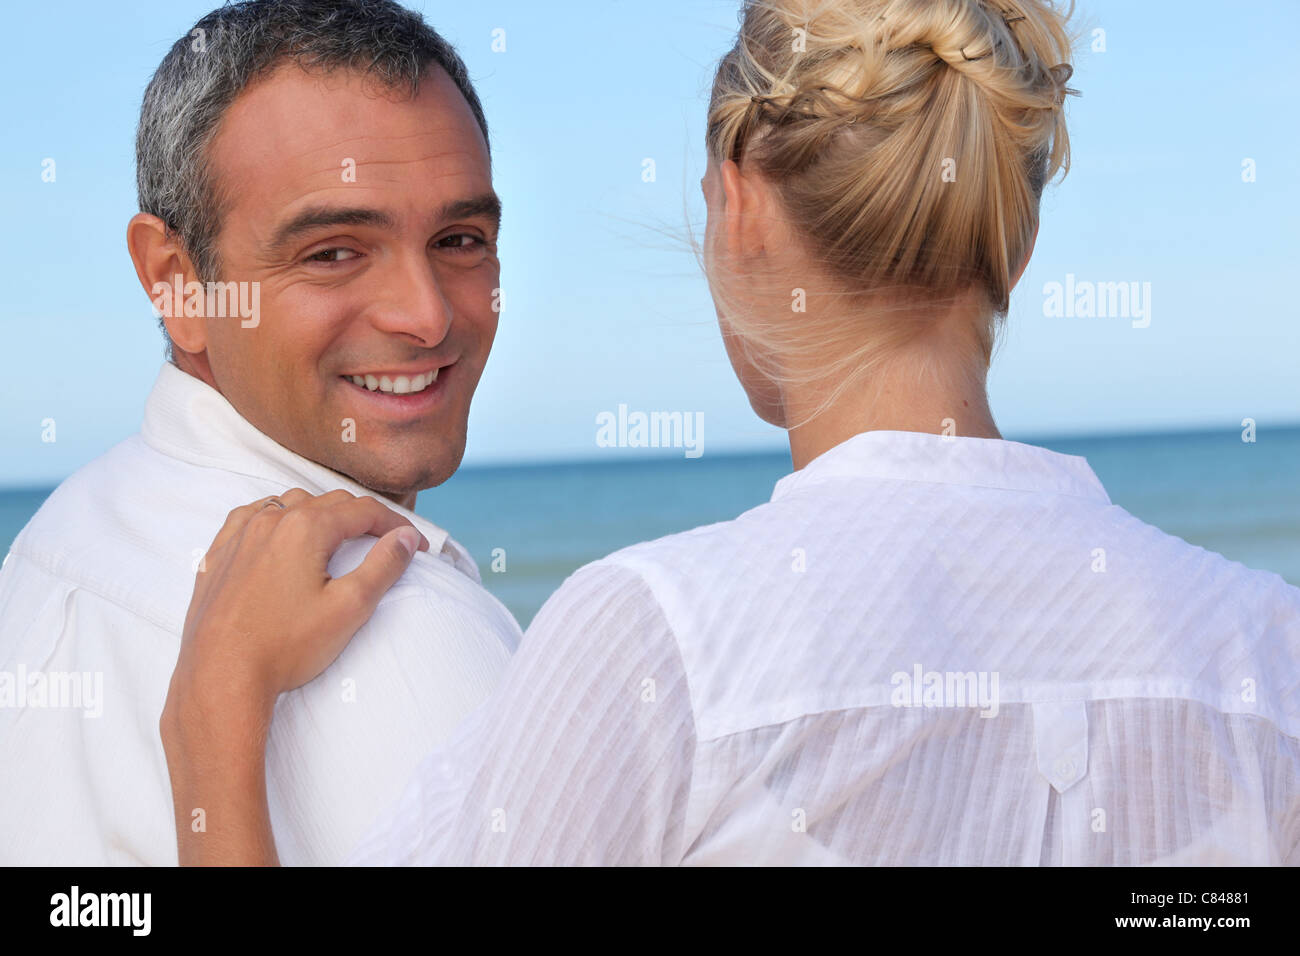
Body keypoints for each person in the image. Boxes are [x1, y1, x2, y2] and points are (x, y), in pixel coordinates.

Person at [162, 0, 1300, 865]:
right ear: (1014, 240)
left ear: (738, 199)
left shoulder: (663, 641)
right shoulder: (1267, 649)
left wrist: (214, 714)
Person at [0, 0, 522, 865]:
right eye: (333, 252)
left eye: (460, 239)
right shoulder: (405, 639)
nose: (427, 316)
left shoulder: (51, 555)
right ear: (176, 281)